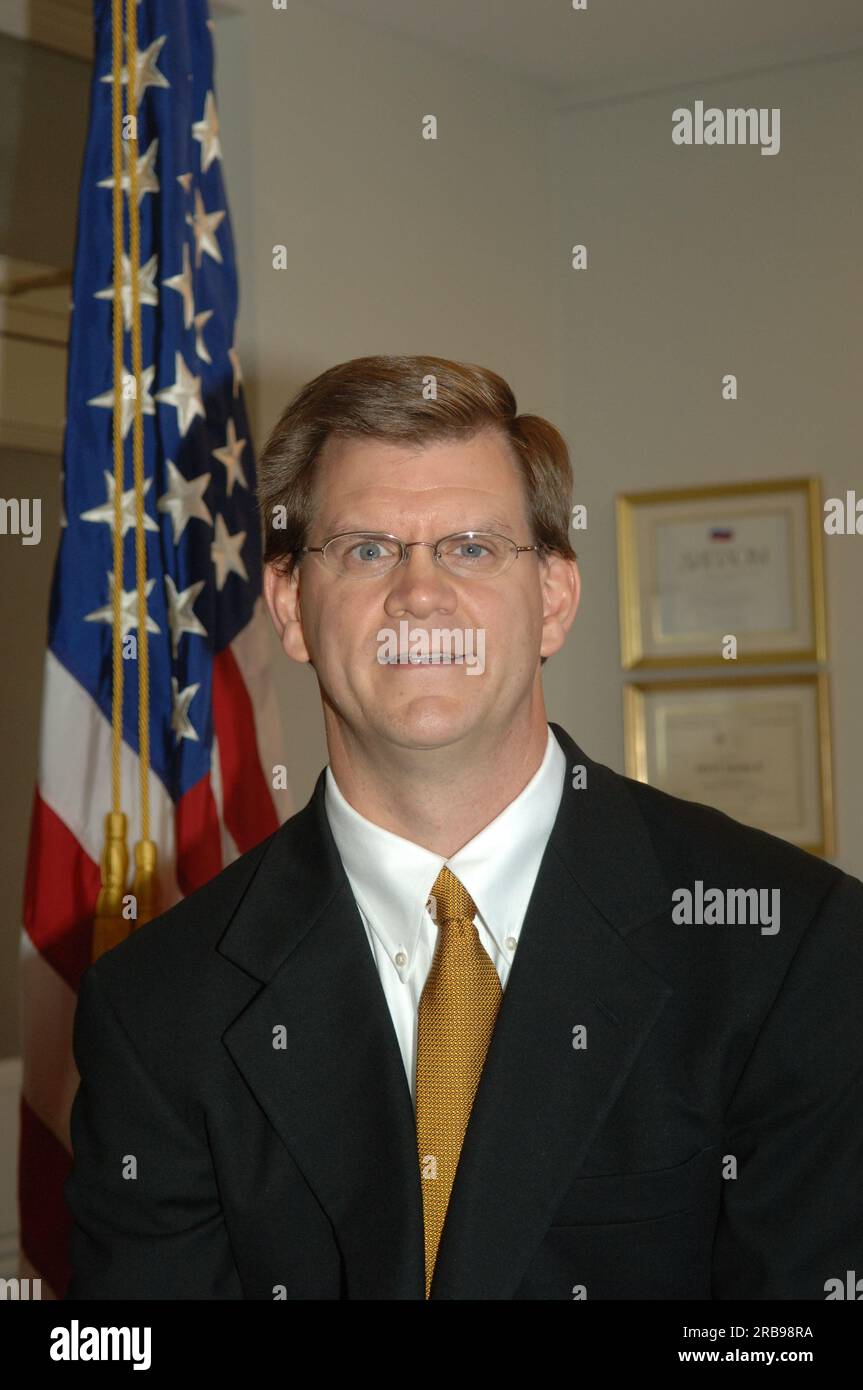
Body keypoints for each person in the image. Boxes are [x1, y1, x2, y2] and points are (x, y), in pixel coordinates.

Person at [65, 354, 863, 1299]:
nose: (420, 593)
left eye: (473, 547)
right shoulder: (156, 1008)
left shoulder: (788, 948)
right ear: (289, 607)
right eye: (366, 549)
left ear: (554, 599)